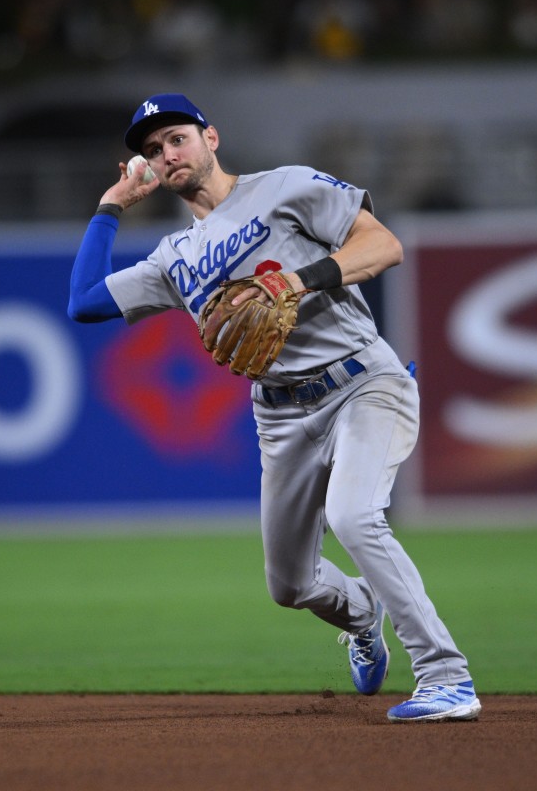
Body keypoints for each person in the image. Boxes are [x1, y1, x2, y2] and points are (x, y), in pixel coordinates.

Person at [68, 93, 479, 722]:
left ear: (211, 137)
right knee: (289, 585)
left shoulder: (286, 187)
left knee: (353, 515)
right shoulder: (173, 258)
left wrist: (295, 279)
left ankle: (447, 677)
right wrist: (110, 207)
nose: (165, 154)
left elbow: (383, 246)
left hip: (361, 382)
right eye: (152, 150)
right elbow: (85, 302)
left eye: (175, 138)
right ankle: (364, 614)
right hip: (281, 415)